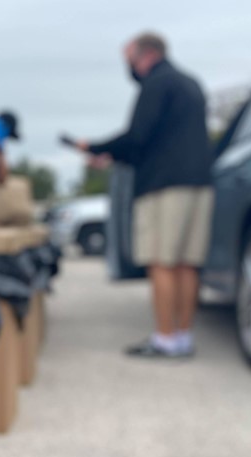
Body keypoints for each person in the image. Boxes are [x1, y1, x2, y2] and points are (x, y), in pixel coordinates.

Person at [77, 32, 214, 359]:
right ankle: (183, 335)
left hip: (163, 185)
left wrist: (96, 148)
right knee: (187, 264)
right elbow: (161, 137)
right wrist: (115, 155)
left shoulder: (156, 84)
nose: (129, 67)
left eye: (130, 59)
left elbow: (138, 136)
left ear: (147, 55)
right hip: (199, 183)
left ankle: (164, 338)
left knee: (162, 263)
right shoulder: (190, 84)